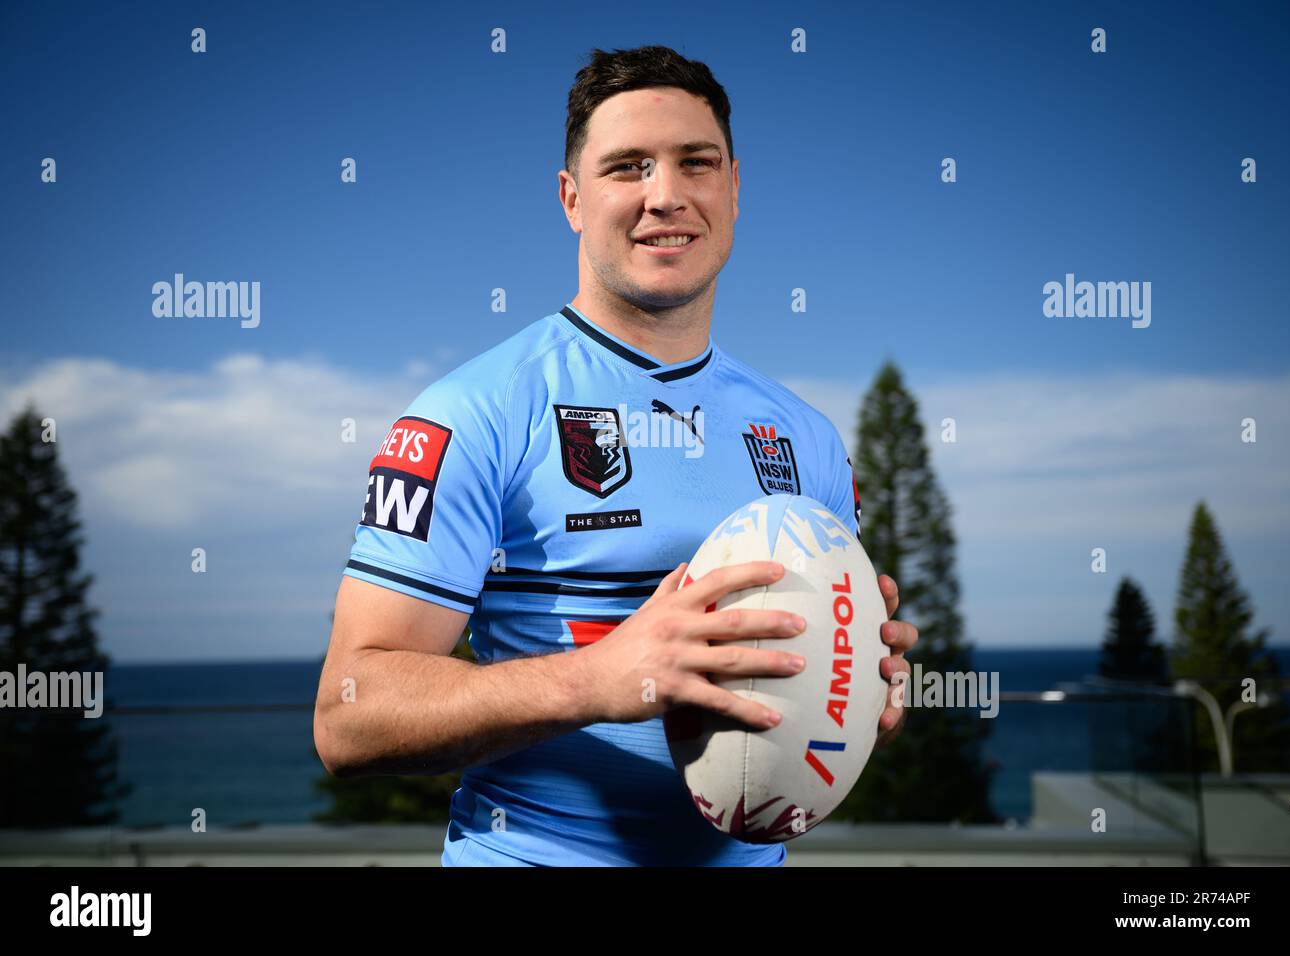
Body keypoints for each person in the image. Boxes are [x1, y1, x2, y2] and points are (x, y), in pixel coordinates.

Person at [314, 44, 917, 866]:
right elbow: (349, 718)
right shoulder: (471, 414)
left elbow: (809, 701)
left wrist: (853, 681)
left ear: (733, 188)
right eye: (627, 167)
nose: (665, 195)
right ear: (571, 199)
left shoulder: (805, 438)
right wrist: (601, 678)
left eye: (694, 163)